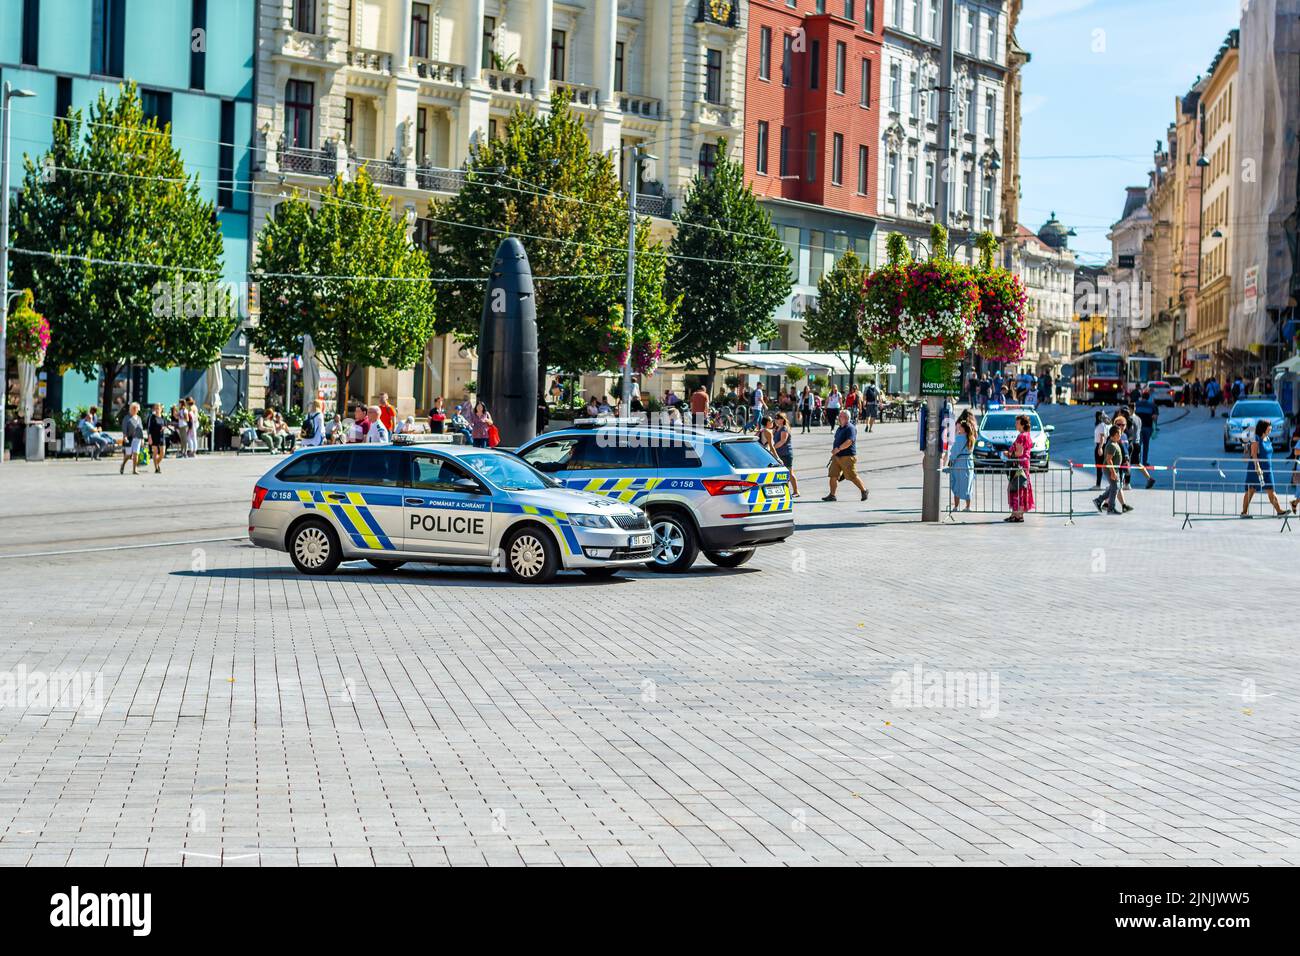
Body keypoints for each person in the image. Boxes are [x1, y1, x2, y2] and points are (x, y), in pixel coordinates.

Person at [1241, 419, 1287, 517]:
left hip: (1268, 469)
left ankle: (1279, 511)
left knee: (1271, 490)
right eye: (1269, 426)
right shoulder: (1256, 438)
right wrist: (1257, 467)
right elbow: (1253, 454)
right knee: (1251, 490)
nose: (1271, 428)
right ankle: (1244, 512)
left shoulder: (1268, 439)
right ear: (1264, 428)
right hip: (1256, 468)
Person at [822, 410, 868, 502]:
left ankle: (864, 490)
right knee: (833, 475)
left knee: (852, 476)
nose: (838, 418)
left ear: (846, 418)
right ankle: (832, 495)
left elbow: (849, 441)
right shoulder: (840, 428)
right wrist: (835, 453)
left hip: (847, 456)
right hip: (837, 457)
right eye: (839, 416)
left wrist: (838, 449)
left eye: (841, 416)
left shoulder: (850, 428)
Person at [1003, 414, 1035, 522]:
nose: (1015, 424)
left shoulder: (1022, 436)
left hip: (1020, 465)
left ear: (1022, 424)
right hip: (1023, 464)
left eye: (1017, 423)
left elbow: (1019, 453)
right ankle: (1015, 514)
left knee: (1018, 489)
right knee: (1018, 488)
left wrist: (1009, 453)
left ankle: (1018, 515)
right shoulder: (1026, 435)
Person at [1092, 424, 1125, 515]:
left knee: (1114, 487)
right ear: (1114, 435)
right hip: (1110, 469)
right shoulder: (1111, 445)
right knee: (1115, 487)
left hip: (1114, 469)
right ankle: (1111, 508)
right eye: (1119, 433)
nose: (1120, 434)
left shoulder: (1114, 442)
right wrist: (1113, 472)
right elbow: (1108, 459)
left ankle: (1099, 500)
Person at [948, 411, 976, 511]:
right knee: (968, 485)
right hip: (969, 462)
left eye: (960, 427)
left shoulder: (959, 438)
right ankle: (968, 506)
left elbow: (954, 451)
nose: (958, 428)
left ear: (963, 428)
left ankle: (956, 506)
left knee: (957, 484)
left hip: (959, 462)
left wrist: (950, 460)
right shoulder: (972, 438)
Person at [1133, 390, 1158, 488]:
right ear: (1148, 397)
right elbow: (1154, 417)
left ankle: (1136, 460)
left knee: (1138, 444)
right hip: (1148, 428)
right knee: (1146, 446)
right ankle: (1144, 462)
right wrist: (1155, 427)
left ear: (1141, 396)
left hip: (1138, 428)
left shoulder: (1137, 404)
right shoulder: (1152, 406)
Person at [771, 412, 799, 498]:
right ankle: (786, 491)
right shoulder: (776, 429)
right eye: (775, 418)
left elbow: (782, 441)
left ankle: (796, 491)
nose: (776, 420)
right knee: (782, 473)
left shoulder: (784, 429)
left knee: (789, 473)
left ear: (782, 420)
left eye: (778, 418)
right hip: (778, 454)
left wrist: (773, 448)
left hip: (786, 453)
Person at [119, 402, 144, 476]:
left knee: (136, 454)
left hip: (138, 438)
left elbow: (141, 429)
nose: (134, 410)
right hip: (129, 438)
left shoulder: (139, 418)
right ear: (130, 409)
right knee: (128, 454)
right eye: (133, 408)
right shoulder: (127, 418)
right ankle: (123, 464)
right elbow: (124, 428)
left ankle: (134, 469)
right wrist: (125, 436)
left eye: (136, 409)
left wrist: (142, 439)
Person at [145, 403, 168, 473]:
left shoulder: (163, 417)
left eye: (159, 408)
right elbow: (149, 428)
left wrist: (164, 427)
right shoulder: (152, 417)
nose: (157, 409)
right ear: (154, 409)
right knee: (155, 452)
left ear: (161, 409)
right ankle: (156, 468)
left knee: (162, 453)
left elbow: (165, 424)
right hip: (154, 436)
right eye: (156, 408)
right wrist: (149, 437)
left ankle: (157, 463)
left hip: (161, 436)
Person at [1092, 411, 1110, 489]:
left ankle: (1098, 485)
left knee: (1100, 466)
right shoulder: (1104, 425)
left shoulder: (1101, 425)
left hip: (1101, 446)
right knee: (1104, 466)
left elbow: (1102, 437)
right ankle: (1106, 484)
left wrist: (1100, 448)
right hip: (1103, 446)